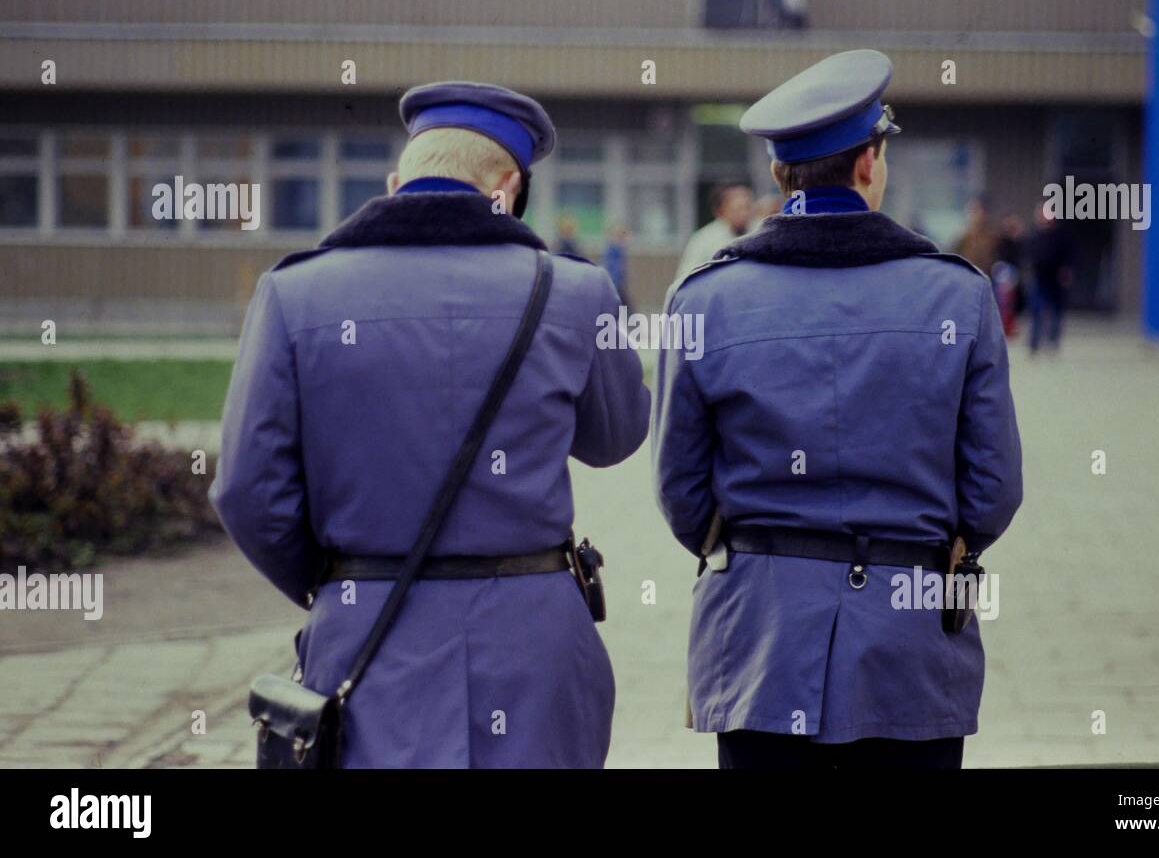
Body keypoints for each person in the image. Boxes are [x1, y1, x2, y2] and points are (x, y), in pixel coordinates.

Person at [209, 80, 650, 767]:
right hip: (533, 645)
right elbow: (616, 437)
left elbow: (245, 491)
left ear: (395, 182)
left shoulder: (294, 293)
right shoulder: (576, 291)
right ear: (507, 189)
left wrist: (345, 581)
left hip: (368, 639)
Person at [653, 49, 1023, 769]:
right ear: (868, 165)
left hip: (759, 643)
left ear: (776, 174)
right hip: (909, 649)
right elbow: (994, 488)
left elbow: (681, 493)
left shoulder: (703, 299)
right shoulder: (958, 294)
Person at [675, 182, 754, 280]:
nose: (745, 213)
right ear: (719, 210)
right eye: (738, 208)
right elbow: (685, 279)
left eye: (748, 207)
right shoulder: (703, 240)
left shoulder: (760, 232)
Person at [1027, 199, 1074, 355]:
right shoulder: (1034, 235)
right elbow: (1027, 255)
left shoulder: (1061, 236)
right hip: (1038, 278)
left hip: (1056, 278)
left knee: (1056, 311)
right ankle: (1034, 343)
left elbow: (1070, 256)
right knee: (1036, 310)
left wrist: (1066, 271)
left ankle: (1052, 342)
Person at [993, 212, 1027, 338]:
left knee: (1013, 302)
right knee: (1003, 302)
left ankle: (1010, 326)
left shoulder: (1019, 241)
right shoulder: (1001, 241)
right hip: (1003, 274)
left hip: (1014, 274)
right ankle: (1004, 327)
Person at [953, 196, 1000, 277]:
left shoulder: (994, 238)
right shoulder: (963, 238)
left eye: (976, 210)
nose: (973, 215)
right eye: (971, 211)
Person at [603, 224, 632, 307]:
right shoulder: (614, 250)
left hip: (617, 282)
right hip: (615, 282)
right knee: (626, 306)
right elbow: (613, 267)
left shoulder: (617, 249)